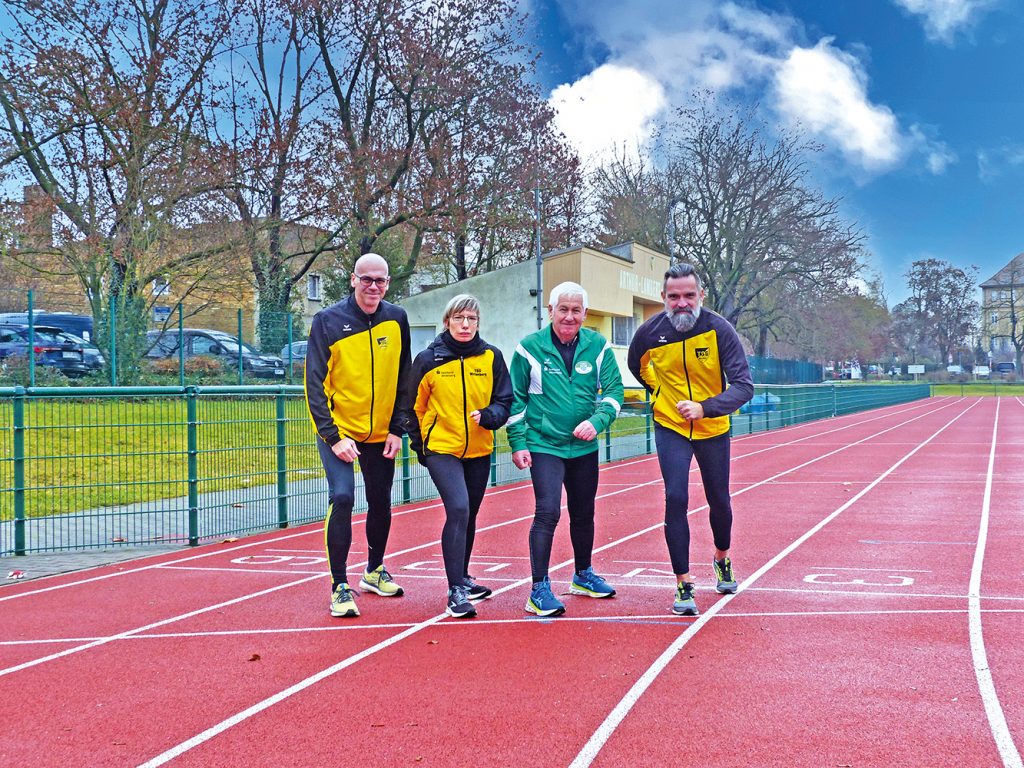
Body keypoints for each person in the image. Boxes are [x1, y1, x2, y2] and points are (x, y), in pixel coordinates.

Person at [627, 262, 753, 616]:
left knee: (719, 500)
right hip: (670, 424)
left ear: (700, 295)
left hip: (712, 427)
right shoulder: (649, 333)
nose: (681, 303)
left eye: (688, 295)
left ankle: (721, 558)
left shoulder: (719, 330)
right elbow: (637, 366)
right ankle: (683, 583)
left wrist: (705, 407)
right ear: (663, 298)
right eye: (674, 297)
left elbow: (744, 386)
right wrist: (659, 390)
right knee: (676, 496)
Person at [507, 281, 624, 617]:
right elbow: (516, 399)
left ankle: (583, 574)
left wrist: (598, 421)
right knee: (548, 511)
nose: (569, 316)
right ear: (550, 311)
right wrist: (517, 443)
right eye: (563, 309)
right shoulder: (529, 348)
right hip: (544, 444)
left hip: (584, 448)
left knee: (584, 511)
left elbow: (614, 392)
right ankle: (538, 588)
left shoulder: (598, 346)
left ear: (585, 314)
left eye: (576, 310)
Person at [304, 253, 411, 618]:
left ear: (388, 283)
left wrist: (398, 429)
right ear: (353, 280)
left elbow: (404, 378)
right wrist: (333, 436)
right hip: (340, 432)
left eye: (380, 280)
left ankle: (374, 570)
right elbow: (314, 384)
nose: (373, 287)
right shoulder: (327, 320)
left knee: (381, 500)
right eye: (366, 279)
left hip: (381, 434)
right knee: (343, 497)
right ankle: (339, 586)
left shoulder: (397, 319)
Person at [407, 295, 512, 618]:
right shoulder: (429, 360)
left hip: (478, 449)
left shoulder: (491, 357)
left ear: (478, 323)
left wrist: (490, 415)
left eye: (471, 319)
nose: (465, 325)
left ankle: (463, 577)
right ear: (447, 322)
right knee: (458, 507)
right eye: (458, 318)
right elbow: (412, 407)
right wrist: (422, 447)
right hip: (442, 448)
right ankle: (455, 590)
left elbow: (504, 401)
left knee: (470, 513)